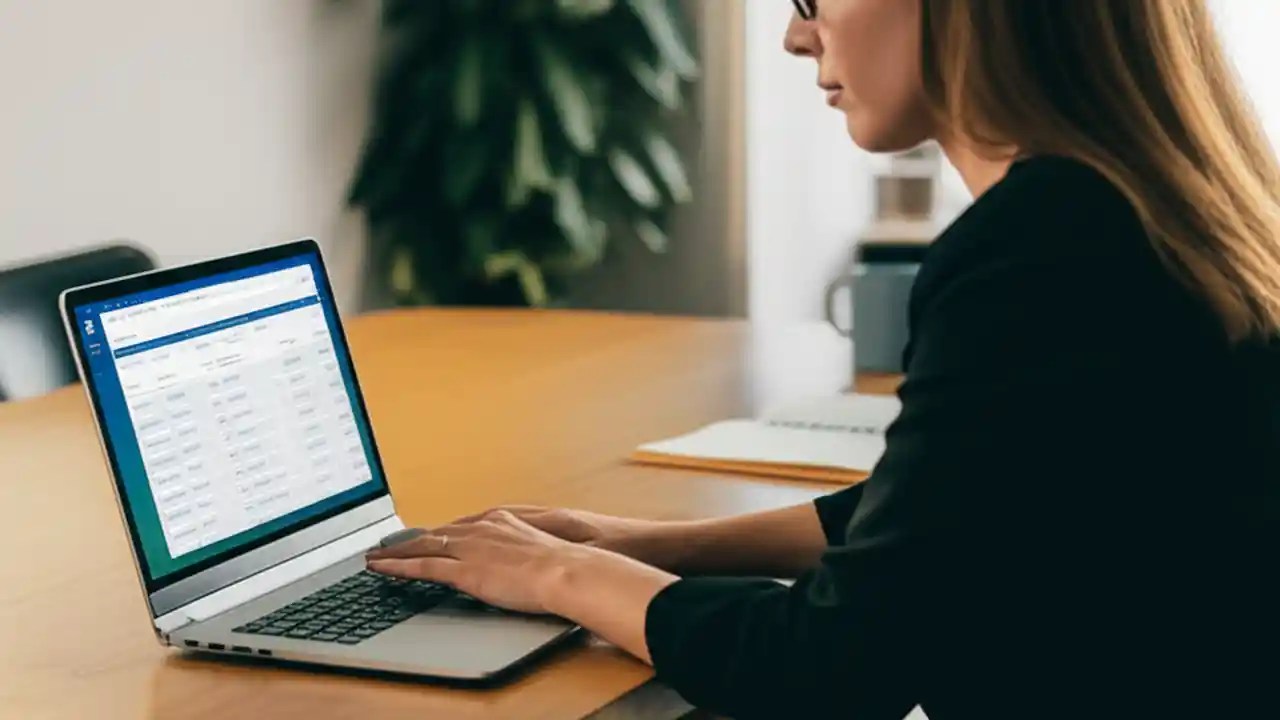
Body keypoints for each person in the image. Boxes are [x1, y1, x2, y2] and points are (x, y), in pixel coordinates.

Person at [367, 1, 1278, 717]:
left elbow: (831, 670)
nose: (797, 37)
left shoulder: (1037, 250)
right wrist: (649, 545)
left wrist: (560, 577)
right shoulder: (1159, 209)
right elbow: (961, 512)